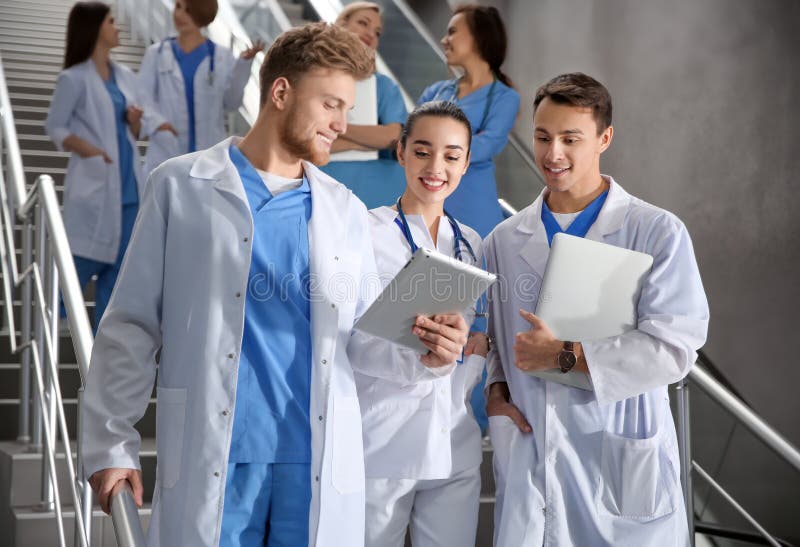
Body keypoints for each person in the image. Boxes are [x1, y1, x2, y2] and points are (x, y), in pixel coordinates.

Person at [79, 22, 468, 547]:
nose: (343, 124)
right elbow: (131, 325)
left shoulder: (344, 210)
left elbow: (361, 341)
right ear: (281, 92)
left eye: (347, 109)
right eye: (331, 105)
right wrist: (112, 443)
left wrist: (427, 354)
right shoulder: (180, 185)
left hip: (312, 462)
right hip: (216, 454)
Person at [482, 73, 709, 546]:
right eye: (542, 137)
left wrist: (566, 355)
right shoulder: (502, 241)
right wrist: (495, 390)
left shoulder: (656, 231)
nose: (553, 153)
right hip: (530, 454)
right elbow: (498, 339)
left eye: (570, 139)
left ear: (604, 138)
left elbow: (675, 349)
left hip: (619, 454)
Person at [347, 101, 484, 546]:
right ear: (401, 152)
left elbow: (472, 339)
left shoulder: (471, 243)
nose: (436, 167)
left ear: (466, 162)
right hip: (382, 443)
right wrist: (426, 358)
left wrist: (475, 348)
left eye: (451, 155)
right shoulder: (364, 234)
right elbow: (349, 341)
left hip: (455, 442)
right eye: (422, 152)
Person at [45, 1, 153, 328]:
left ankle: (102, 345)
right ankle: (53, 326)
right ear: (94, 28)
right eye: (111, 22)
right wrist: (90, 150)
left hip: (129, 189)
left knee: (118, 275)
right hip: (96, 184)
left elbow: (136, 131)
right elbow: (55, 126)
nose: (117, 27)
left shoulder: (126, 77)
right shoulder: (73, 79)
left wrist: (134, 121)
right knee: (78, 266)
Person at [418, 3, 519, 238]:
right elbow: (411, 136)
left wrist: (431, 147)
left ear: (478, 36)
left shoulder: (505, 97)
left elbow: (488, 145)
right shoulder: (436, 91)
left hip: (473, 203)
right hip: (430, 195)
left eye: (452, 32)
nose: (444, 40)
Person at [137, 0, 264, 176]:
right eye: (178, 7)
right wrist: (160, 125)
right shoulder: (156, 54)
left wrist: (242, 66)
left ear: (202, 14)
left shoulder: (221, 56)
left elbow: (231, 103)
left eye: (188, 10)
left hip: (208, 153)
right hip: (166, 150)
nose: (179, 15)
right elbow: (142, 98)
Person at [320, 1, 408, 209]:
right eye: (363, 23)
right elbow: (304, 143)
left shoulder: (384, 87)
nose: (371, 34)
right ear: (341, 24)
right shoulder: (314, 79)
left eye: (377, 32)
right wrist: (368, 141)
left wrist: (332, 130)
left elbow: (392, 137)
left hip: (377, 195)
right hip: (324, 188)